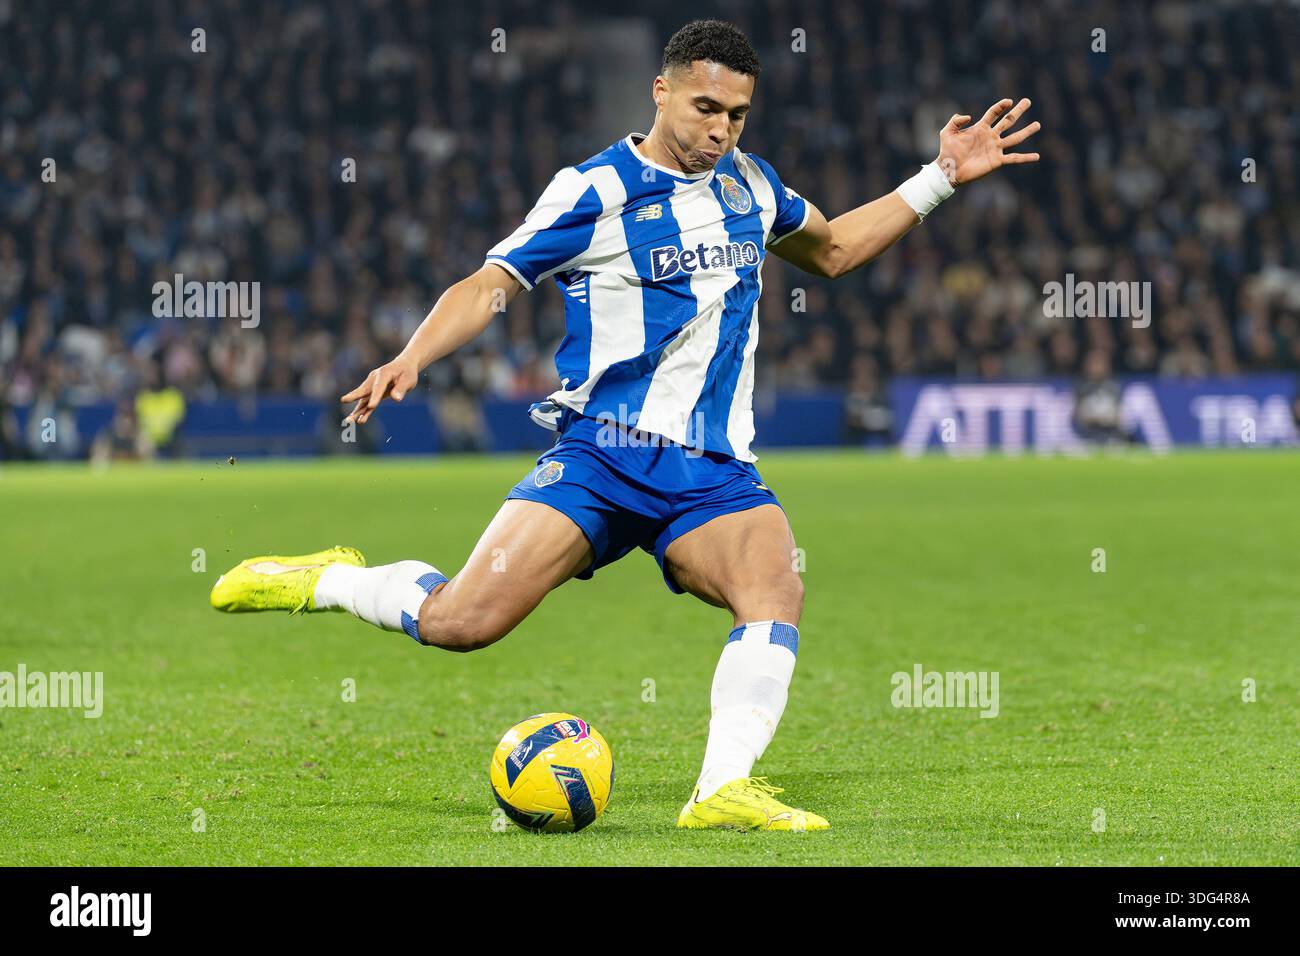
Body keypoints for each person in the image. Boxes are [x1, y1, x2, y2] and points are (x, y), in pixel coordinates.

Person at [209, 19, 1039, 831]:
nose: (720, 129)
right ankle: (328, 579)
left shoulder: (752, 185)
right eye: (704, 109)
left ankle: (721, 791)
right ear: (662, 91)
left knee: (774, 585)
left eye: (737, 114)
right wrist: (412, 356)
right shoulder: (593, 190)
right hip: (603, 455)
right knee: (461, 623)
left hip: (712, 470)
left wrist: (937, 178)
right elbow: (486, 283)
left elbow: (833, 251)